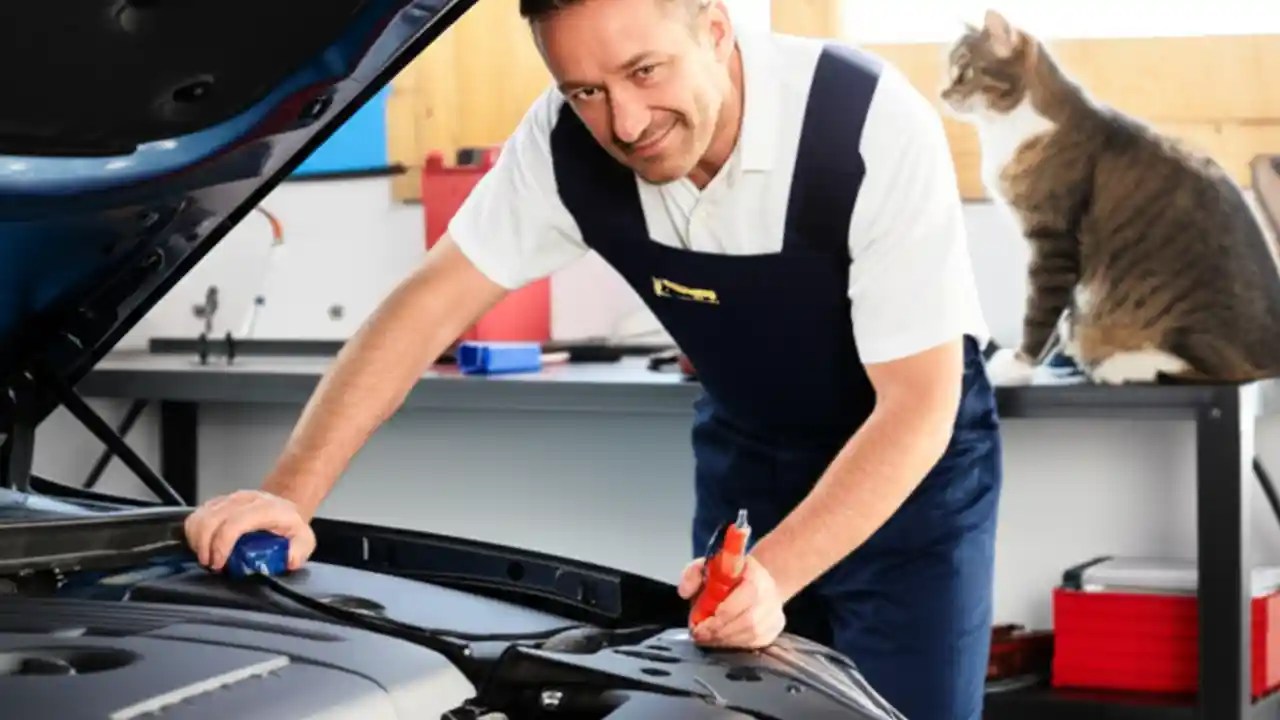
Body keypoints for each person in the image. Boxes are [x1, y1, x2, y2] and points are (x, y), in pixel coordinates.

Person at [183, 1, 1003, 717]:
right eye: (586, 91)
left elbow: (917, 405)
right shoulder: (559, 145)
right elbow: (423, 308)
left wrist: (775, 576)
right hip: (750, 462)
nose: (625, 122)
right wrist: (286, 498)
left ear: (715, 30)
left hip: (908, 482)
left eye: (645, 70)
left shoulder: (865, 125)